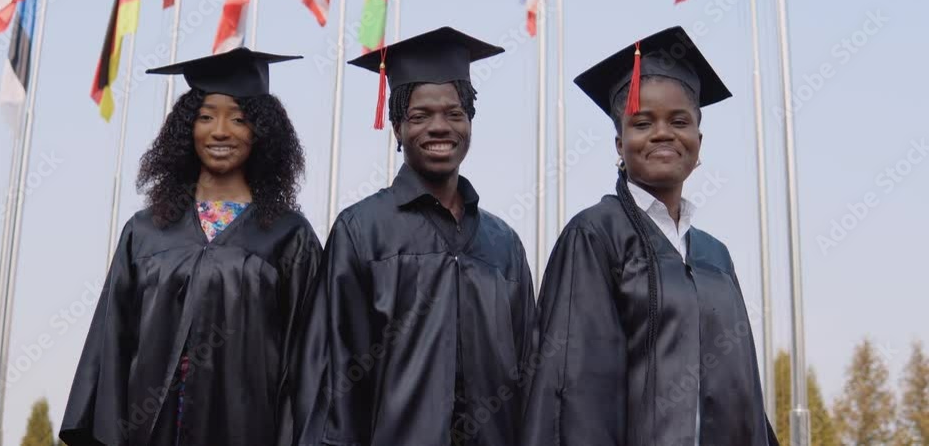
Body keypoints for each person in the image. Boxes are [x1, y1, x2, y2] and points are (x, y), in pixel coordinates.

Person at [521, 27, 778, 446]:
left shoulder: (716, 255)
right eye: (643, 123)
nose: (663, 133)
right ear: (620, 143)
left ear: (698, 141)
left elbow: (742, 387)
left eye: (680, 121)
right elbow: (576, 391)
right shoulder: (595, 235)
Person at [60, 48, 324, 446]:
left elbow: (308, 364)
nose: (220, 130)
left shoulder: (289, 237)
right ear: (186, 129)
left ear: (262, 132)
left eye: (239, 118)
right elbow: (112, 344)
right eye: (205, 116)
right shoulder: (147, 232)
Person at [301, 27, 536, 446]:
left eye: (454, 114)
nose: (439, 127)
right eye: (419, 115)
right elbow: (336, 379)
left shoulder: (504, 246)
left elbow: (529, 376)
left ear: (470, 122)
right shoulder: (362, 231)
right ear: (396, 128)